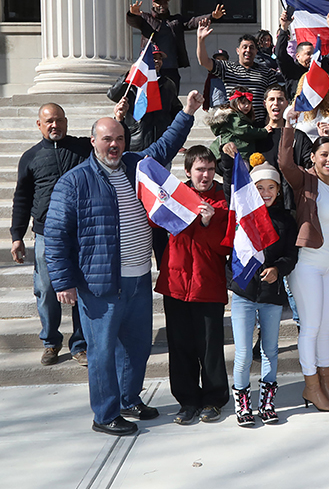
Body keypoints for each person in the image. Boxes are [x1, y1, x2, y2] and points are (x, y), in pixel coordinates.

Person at [45, 91, 201, 436]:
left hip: (139, 276)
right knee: (101, 351)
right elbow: (55, 237)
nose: (113, 145)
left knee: (137, 345)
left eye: (118, 139)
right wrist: (62, 282)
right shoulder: (74, 182)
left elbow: (163, 147)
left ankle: (130, 399)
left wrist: (187, 112)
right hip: (99, 283)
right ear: (93, 142)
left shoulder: (135, 166)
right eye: (106, 139)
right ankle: (104, 414)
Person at [278, 116, 329, 413]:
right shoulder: (305, 181)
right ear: (313, 158)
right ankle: (311, 387)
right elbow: (284, 164)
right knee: (310, 327)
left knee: (326, 328)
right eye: (324, 155)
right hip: (307, 264)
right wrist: (288, 126)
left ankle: (325, 383)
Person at [153, 146, 230, 425]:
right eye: (200, 169)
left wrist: (209, 223)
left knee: (210, 346)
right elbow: (156, 224)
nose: (206, 175)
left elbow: (223, 248)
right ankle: (187, 401)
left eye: (210, 169)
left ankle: (213, 398)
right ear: (188, 172)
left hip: (207, 284)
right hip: (175, 283)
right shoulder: (174, 197)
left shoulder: (223, 198)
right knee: (180, 345)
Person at [11, 103, 91, 367]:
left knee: (81, 288)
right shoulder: (30, 157)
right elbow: (22, 199)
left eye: (59, 120)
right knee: (46, 289)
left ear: (66, 122)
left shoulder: (83, 149)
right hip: (46, 235)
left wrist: (120, 118)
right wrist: (16, 236)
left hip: (80, 234)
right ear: (39, 125)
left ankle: (80, 344)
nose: (54, 125)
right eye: (49, 122)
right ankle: (51, 342)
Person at [229, 161, 298, 426]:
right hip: (244, 294)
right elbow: (232, 253)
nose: (266, 192)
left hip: (271, 294)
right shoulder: (242, 216)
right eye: (260, 187)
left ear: (278, 190)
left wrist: (278, 270)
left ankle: (267, 400)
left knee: (270, 349)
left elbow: (292, 255)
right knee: (244, 353)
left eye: (272, 187)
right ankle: (242, 400)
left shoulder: (286, 219)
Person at [127, 0, 224, 88]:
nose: (162, 5)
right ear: (153, 4)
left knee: (171, 96)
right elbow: (133, 21)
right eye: (159, 2)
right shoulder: (146, 18)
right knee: (152, 96)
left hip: (171, 67)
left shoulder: (176, 20)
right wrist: (133, 14)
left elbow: (193, 21)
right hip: (151, 66)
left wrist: (212, 16)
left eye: (164, 2)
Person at [196, 20, 280, 126]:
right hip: (233, 125)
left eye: (251, 47)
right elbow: (204, 61)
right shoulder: (227, 68)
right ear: (238, 50)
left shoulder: (266, 72)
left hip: (259, 126)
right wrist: (201, 40)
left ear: (256, 51)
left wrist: (270, 122)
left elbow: (273, 97)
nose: (248, 50)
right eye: (244, 47)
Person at [107, 45, 184, 152]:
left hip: (161, 144)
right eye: (154, 58)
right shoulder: (133, 82)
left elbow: (176, 110)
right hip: (136, 142)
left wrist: (173, 135)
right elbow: (113, 95)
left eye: (160, 58)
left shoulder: (167, 84)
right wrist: (129, 75)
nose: (157, 61)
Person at [205, 87, 269, 161]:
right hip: (235, 153)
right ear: (234, 102)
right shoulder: (233, 117)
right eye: (243, 103)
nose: (247, 105)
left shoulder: (239, 116)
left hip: (237, 153)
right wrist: (264, 131)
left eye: (249, 103)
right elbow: (244, 131)